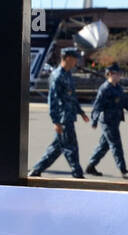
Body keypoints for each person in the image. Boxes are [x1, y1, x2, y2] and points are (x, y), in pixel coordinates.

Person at [30, 47, 89, 178]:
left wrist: (81, 112)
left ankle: (36, 170)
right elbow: (53, 101)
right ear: (67, 58)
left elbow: (72, 97)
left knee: (57, 148)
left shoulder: (67, 74)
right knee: (70, 147)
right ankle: (77, 174)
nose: (75, 62)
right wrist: (56, 121)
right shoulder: (57, 76)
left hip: (69, 116)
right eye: (74, 59)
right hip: (63, 118)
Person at [85, 62, 128, 177]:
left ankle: (91, 166)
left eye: (120, 73)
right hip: (107, 121)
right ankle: (123, 170)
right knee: (116, 145)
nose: (120, 76)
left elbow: (125, 103)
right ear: (110, 74)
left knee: (104, 145)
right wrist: (94, 121)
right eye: (118, 74)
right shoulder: (105, 89)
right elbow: (97, 106)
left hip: (115, 121)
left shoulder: (118, 87)